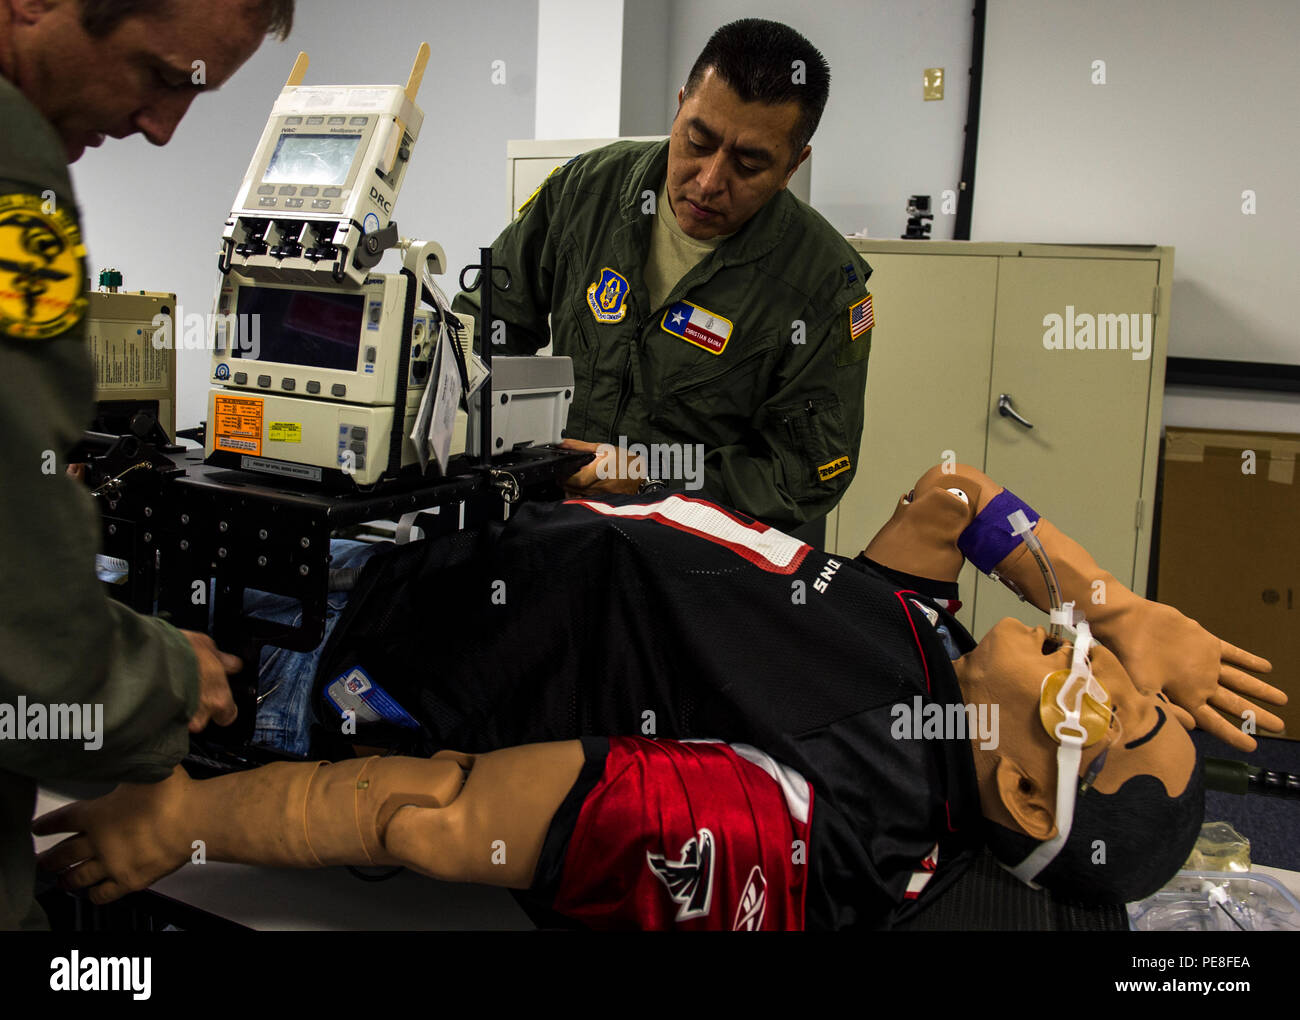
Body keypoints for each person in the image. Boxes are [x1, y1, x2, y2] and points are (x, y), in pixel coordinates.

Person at [32, 462, 1285, 929]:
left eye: (1112, 708)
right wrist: (1119, 603)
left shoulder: (796, 821)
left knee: (17, 629)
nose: (1105, 672)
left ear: (1024, 787)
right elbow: (949, 500)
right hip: (406, 556)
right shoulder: (933, 652)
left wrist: (181, 823)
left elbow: (440, 811)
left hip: (316, 670)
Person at [0, 0, 293, 930]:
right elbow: (29, 646)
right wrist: (167, 676)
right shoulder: (15, 182)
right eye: (165, 76)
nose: (164, 129)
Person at [452, 19, 875, 533]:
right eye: (698, 140)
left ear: (793, 165)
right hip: (549, 524)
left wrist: (656, 479)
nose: (710, 180)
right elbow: (481, 331)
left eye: (749, 164)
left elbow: (804, 474)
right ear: (679, 107)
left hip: (691, 561)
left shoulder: (825, 284)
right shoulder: (587, 191)